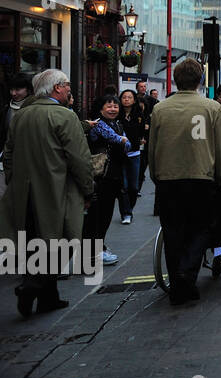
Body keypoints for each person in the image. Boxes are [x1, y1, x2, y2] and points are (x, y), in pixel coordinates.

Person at [1, 70, 94, 316]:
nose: (69, 90)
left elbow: (7, 153)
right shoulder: (63, 116)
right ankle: (32, 285)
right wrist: (88, 189)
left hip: (23, 192)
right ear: (57, 89)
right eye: (67, 86)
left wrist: (13, 181)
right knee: (63, 241)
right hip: (57, 190)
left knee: (34, 243)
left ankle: (48, 298)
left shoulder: (21, 115)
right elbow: (80, 159)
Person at [148, 58, 221, 307]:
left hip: (168, 179)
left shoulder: (160, 109)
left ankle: (178, 287)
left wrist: (155, 174)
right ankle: (187, 274)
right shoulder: (212, 108)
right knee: (201, 228)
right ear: (200, 80)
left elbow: (152, 147)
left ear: (175, 80)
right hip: (201, 177)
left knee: (173, 232)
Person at [86, 94, 131, 265]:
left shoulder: (117, 123)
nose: (113, 109)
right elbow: (117, 139)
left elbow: (127, 144)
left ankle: (100, 248)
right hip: (101, 176)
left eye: (115, 106)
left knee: (106, 215)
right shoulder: (98, 125)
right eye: (109, 106)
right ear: (100, 108)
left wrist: (123, 140)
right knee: (98, 216)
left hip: (114, 175)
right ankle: (95, 252)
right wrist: (122, 140)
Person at [117, 90, 148, 223]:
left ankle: (129, 208)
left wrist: (142, 139)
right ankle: (126, 213)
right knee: (123, 185)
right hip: (119, 154)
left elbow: (143, 131)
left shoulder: (139, 115)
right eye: (124, 97)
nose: (126, 99)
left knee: (134, 187)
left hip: (135, 153)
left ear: (134, 100)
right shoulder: (117, 115)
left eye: (129, 97)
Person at [0, 73, 33, 195]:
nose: (13, 93)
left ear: (29, 89)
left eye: (18, 89)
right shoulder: (6, 110)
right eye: (11, 89)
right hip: (8, 162)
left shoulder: (34, 109)